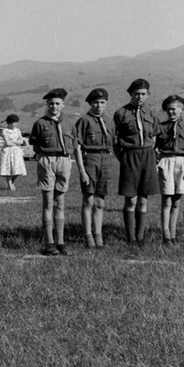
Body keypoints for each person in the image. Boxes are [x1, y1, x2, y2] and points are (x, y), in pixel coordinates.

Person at [112, 78, 162, 249]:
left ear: (148, 95)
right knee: (130, 199)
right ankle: (130, 237)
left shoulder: (151, 113)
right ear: (131, 94)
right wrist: (124, 159)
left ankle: (140, 237)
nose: (139, 97)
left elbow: (154, 137)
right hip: (130, 156)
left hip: (148, 155)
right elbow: (116, 141)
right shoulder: (121, 113)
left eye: (143, 94)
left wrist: (150, 153)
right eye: (136, 94)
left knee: (143, 198)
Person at [29, 88, 77, 256]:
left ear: (63, 105)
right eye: (51, 104)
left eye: (57, 103)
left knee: (60, 202)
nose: (54, 107)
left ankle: (61, 242)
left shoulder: (69, 123)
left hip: (64, 161)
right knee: (48, 202)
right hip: (47, 160)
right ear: (46, 105)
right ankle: (49, 242)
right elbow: (34, 143)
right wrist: (44, 157)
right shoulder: (40, 123)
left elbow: (74, 144)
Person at [155, 95, 184, 244]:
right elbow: (153, 146)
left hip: (183, 163)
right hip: (166, 162)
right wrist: (157, 160)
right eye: (168, 110)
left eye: (174, 109)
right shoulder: (161, 127)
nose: (171, 112)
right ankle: (166, 235)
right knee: (167, 200)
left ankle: (174, 234)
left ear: (181, 110)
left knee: (176, 201)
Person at [73, 88, 116, 249]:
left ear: (106, 104)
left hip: (105, 160)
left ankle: (98, 236)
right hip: (90, 160)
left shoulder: (109, 121)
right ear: (90, 104)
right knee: (88, 200)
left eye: (102, 102)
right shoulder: (84, 121)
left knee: (100, 202)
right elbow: (76, 147)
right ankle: (88, 236)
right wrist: (82, 171)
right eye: (95, 103)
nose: (99, 106)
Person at [0, 114, 27, 190]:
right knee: (9, 169)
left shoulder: (17, 130)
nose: (15, 124)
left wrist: (14, 141)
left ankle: (12, 182)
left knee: (17, 169)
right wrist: (16, 142)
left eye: (16, 122)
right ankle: (9, 184)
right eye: (13, 122)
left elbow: (21, 141)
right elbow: (7, 143)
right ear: (9, 123)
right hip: (7, 151)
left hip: (16, 151)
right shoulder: (5, 131)